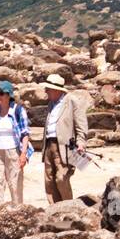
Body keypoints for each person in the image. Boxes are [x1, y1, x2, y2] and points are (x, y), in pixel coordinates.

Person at [41, 73, 88, 203]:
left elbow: (81, 124)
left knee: (62, 178)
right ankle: (54, 209)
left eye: (48, 89)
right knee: (49, 180)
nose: (46, 91)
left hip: (64, 147)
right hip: (49, 144)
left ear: (56, 90)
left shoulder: (72, 101)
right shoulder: (51, 103)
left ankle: (68, 206)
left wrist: (81, 142)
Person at [0, 80, 32, 207]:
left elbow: (25, 133)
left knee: (15, 183)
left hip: (13, 151)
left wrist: (23, 154)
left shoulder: (18, 110)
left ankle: (17, 210)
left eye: (0, 93)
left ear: (8, 95)